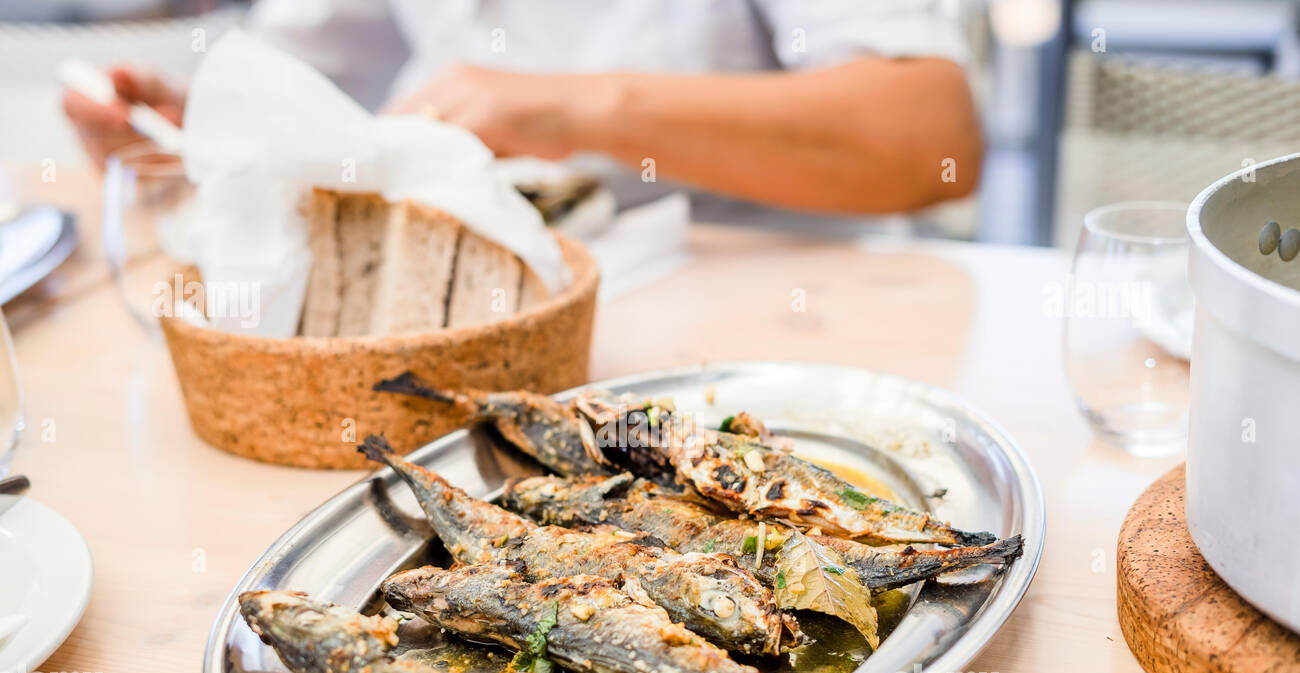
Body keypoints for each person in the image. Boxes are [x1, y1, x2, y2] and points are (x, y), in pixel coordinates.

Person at [64, 0, 980, 216]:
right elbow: (310, 80)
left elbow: (930, 134)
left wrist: (582, 107)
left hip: (771, 319)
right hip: (464, 331)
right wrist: (182, 126)